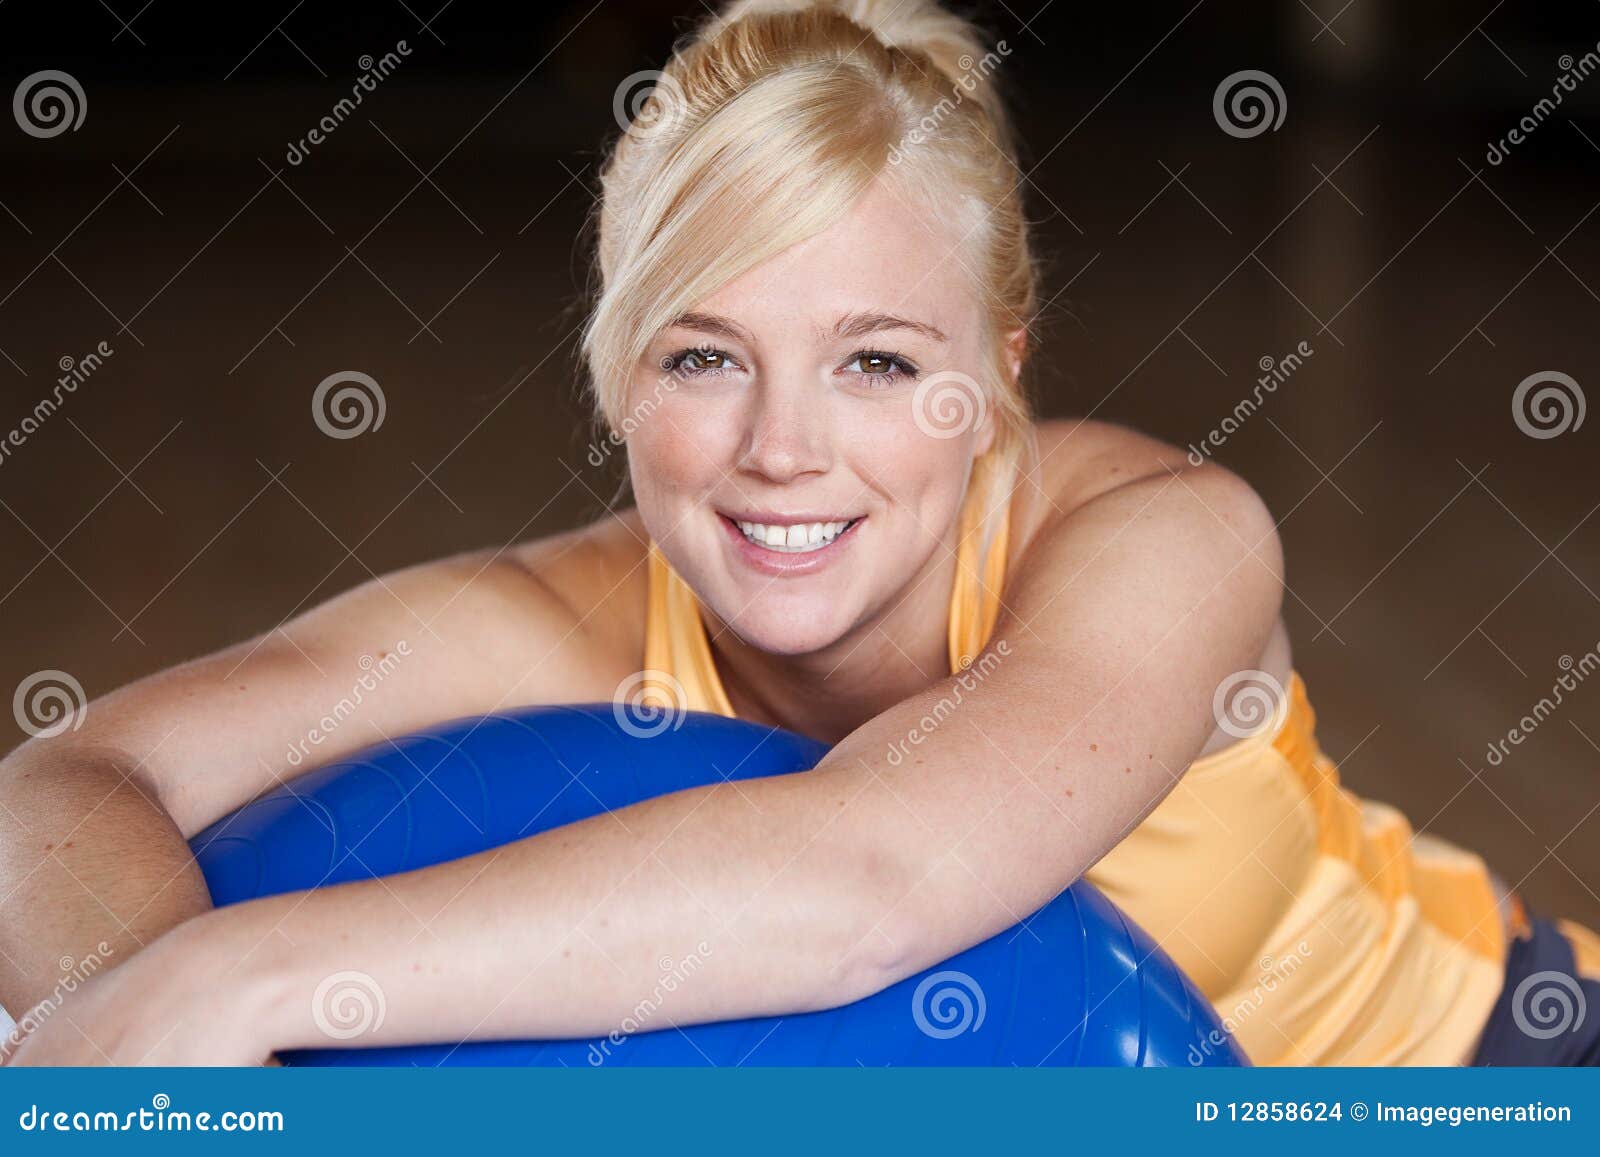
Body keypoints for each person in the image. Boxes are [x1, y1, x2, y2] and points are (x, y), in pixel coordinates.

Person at [1, 0, 1595, 1067]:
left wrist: (238, 980)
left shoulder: (1169, 536)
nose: (781, 451)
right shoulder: (564, 619)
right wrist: (163, 1044)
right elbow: (67, 782)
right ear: (620, 375)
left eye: (879, 363)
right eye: (704, 356)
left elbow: (869, 870)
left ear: (1002, 367)